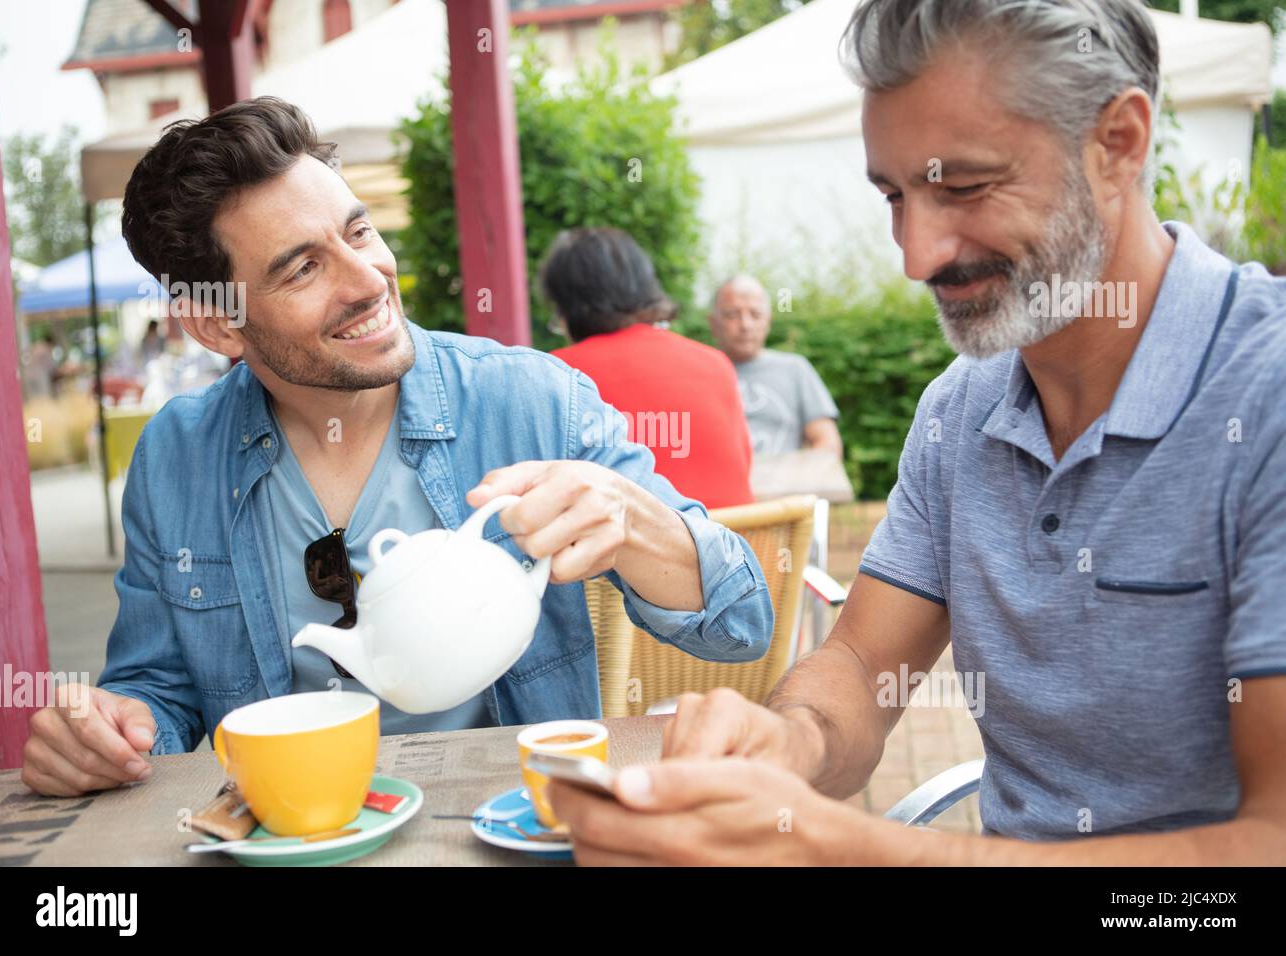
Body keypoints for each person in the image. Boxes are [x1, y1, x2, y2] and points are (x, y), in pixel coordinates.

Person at [548, 0, 1286, 865]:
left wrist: (853, 849)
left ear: (1118, 144)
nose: (917, 255)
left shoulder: (1264, 395)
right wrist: (788, 747)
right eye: (894, 195)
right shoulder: (961, 409)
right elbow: (860, 662)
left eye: (964, 187)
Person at [19, 97, 773, 797]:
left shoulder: (532, 400)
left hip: (503, 828)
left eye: (359, 232)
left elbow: (745, 622)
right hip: (288, 838)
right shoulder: (175, 457)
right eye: (303, 267)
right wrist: (110, 729)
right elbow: (157, 690)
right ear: (216, 325)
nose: (369, 280)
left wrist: (636, 525)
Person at [545, 227, 753, 509]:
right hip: (736, 547)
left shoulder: (555, 374)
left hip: (629, 550)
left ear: (567, 309)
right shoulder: (716, 363)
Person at [710, 274, 842, 457]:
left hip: (786, 483)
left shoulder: (796, 370)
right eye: (732, 315)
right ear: (713, 323)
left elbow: (828, 443)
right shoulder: (698, 374)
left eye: (755, 314)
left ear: (768, 321)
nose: (745, 325)